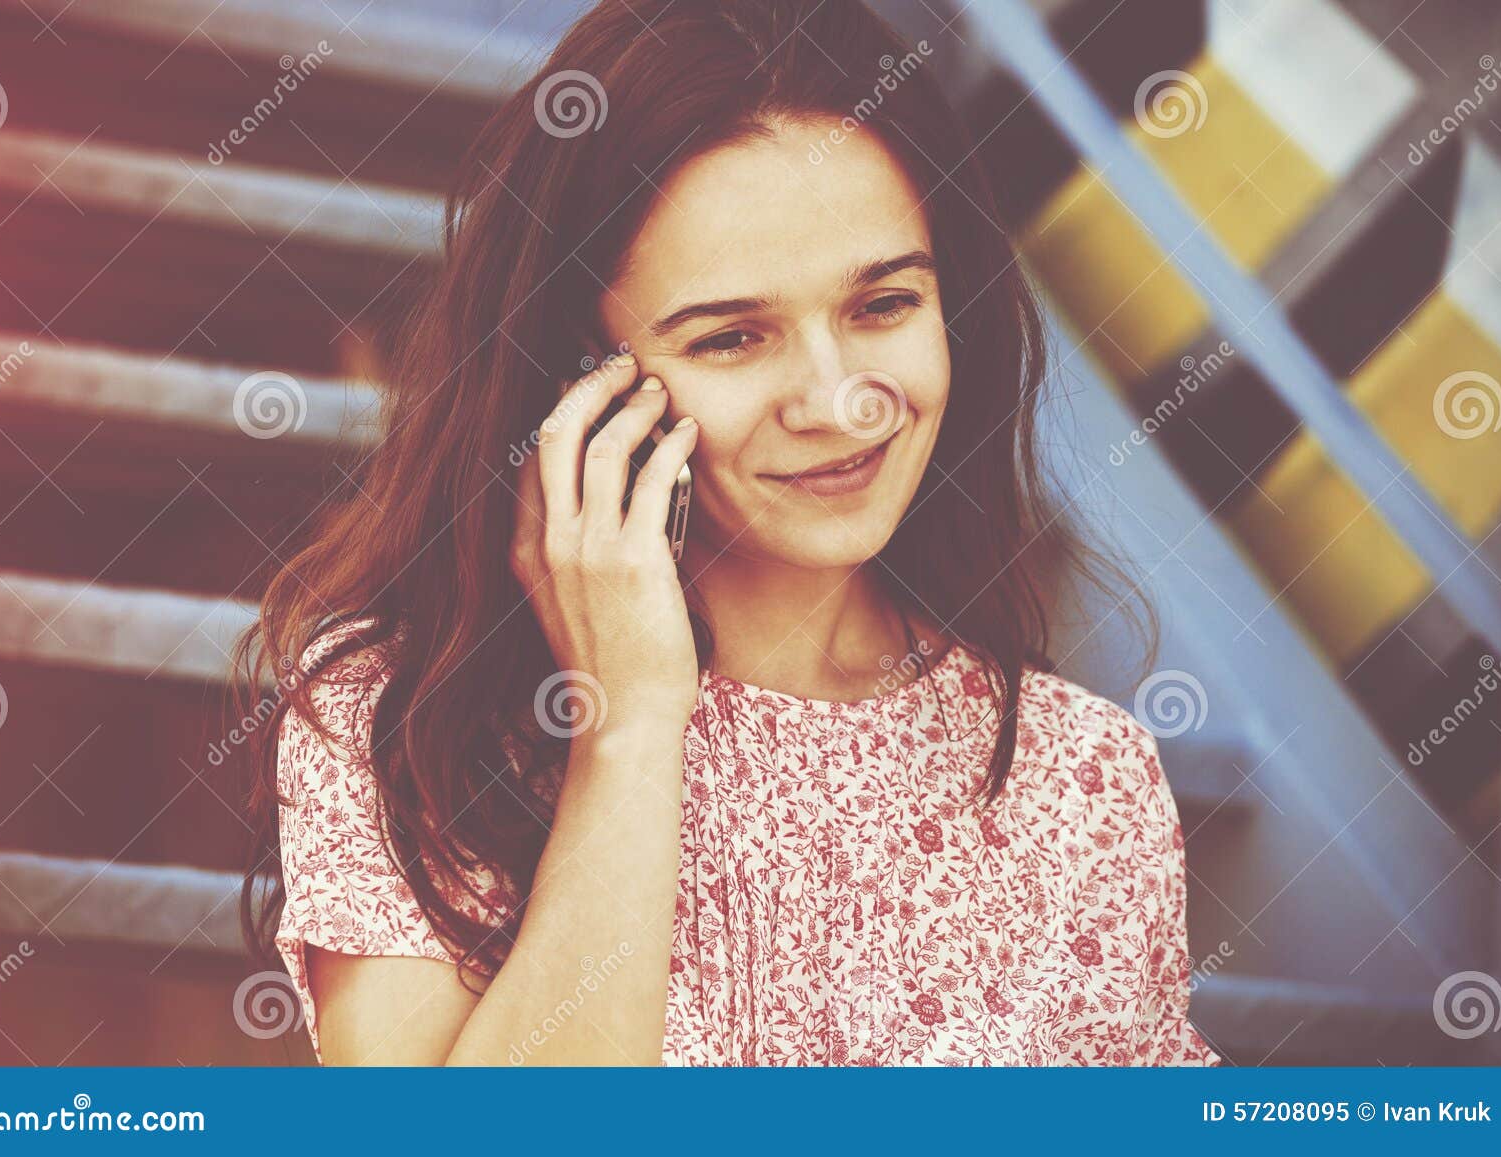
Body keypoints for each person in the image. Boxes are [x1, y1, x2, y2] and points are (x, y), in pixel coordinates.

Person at [233, 0, 1221, 1067]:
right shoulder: (406, 720)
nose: (840, 403)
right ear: (584, 377)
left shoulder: (1082, 775)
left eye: (883, 305)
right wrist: (627, 728)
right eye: (734, 336)